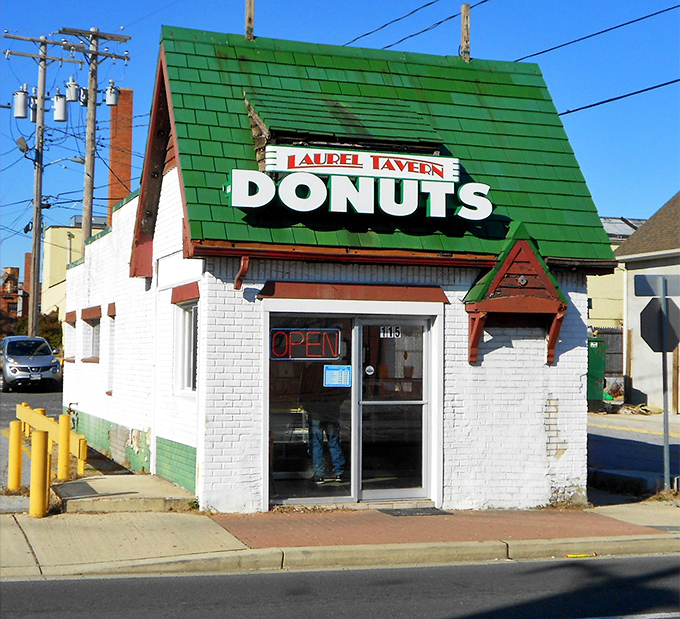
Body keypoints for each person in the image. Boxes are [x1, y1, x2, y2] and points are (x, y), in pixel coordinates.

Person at [298, 361, 347, 484]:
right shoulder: (335, 368)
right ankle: (339, 472)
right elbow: (343, 392)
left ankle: (319, 474)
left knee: (316, 444)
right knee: (334, 442)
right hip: (332, 412)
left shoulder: (310, 370)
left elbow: (303, 392)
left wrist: (307, 407)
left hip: (316, 412)